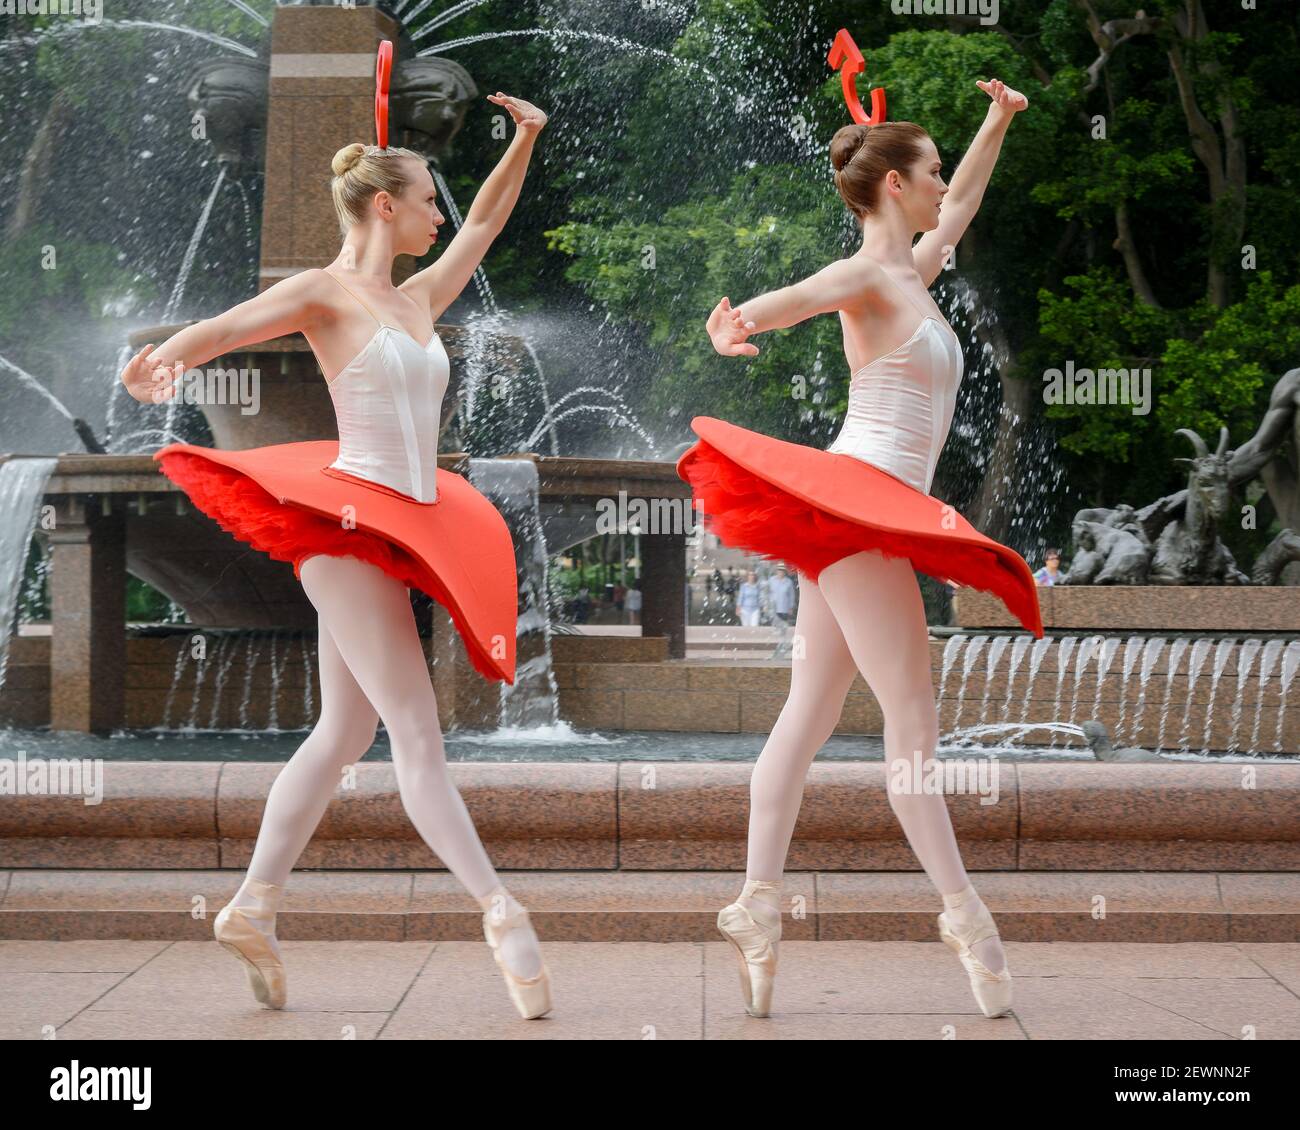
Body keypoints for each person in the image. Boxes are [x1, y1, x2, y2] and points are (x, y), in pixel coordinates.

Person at [121, 94, 553, 1020]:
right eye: (427, 198)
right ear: (384, 206)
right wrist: (164, 361)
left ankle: (253, 904)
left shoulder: (419, 295)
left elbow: (484, 221)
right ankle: (500, 911)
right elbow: (227, 328)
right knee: (418, 731)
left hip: (412, 518)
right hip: (346, 521)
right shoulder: (325, 291)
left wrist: (525, 139)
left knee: (346, 732)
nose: (441, 212)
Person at [676, 79, 1041, 1020]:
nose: (938, 186)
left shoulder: (917, 268)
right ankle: (965, 916)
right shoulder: (870, 277)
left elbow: (964, 201)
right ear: (890, 188)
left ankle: (757, 907)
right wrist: (733, 325)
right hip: (860, 504)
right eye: (925, 172)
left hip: (870, 509)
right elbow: (790, 298)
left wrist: (998, 121)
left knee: (811, 708)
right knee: (910, 719)